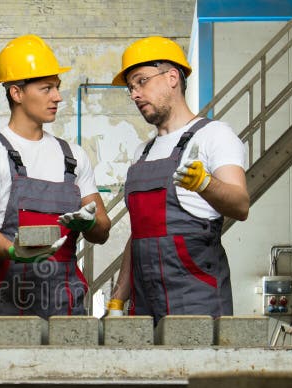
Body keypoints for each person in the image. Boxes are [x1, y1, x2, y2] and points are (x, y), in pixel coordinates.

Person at [0, 35, 110, 318]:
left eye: (57, 87)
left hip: (67, 308)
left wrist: (90, 223)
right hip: (7, 309)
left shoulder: (74, 156)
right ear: (17, 93)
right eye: (47, 88)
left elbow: (102, 231)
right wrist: (14, 251)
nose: (58, 97)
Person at [107, 36, 249, 323]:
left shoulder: (214, 135)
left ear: (172, 77)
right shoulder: (142, 153)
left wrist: (205, 183)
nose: (135, 94)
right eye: (131, 88)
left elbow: (240, 205)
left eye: (141, 81)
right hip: (144, 300)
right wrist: (118, 298)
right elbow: (140, 234)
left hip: (195, 296)